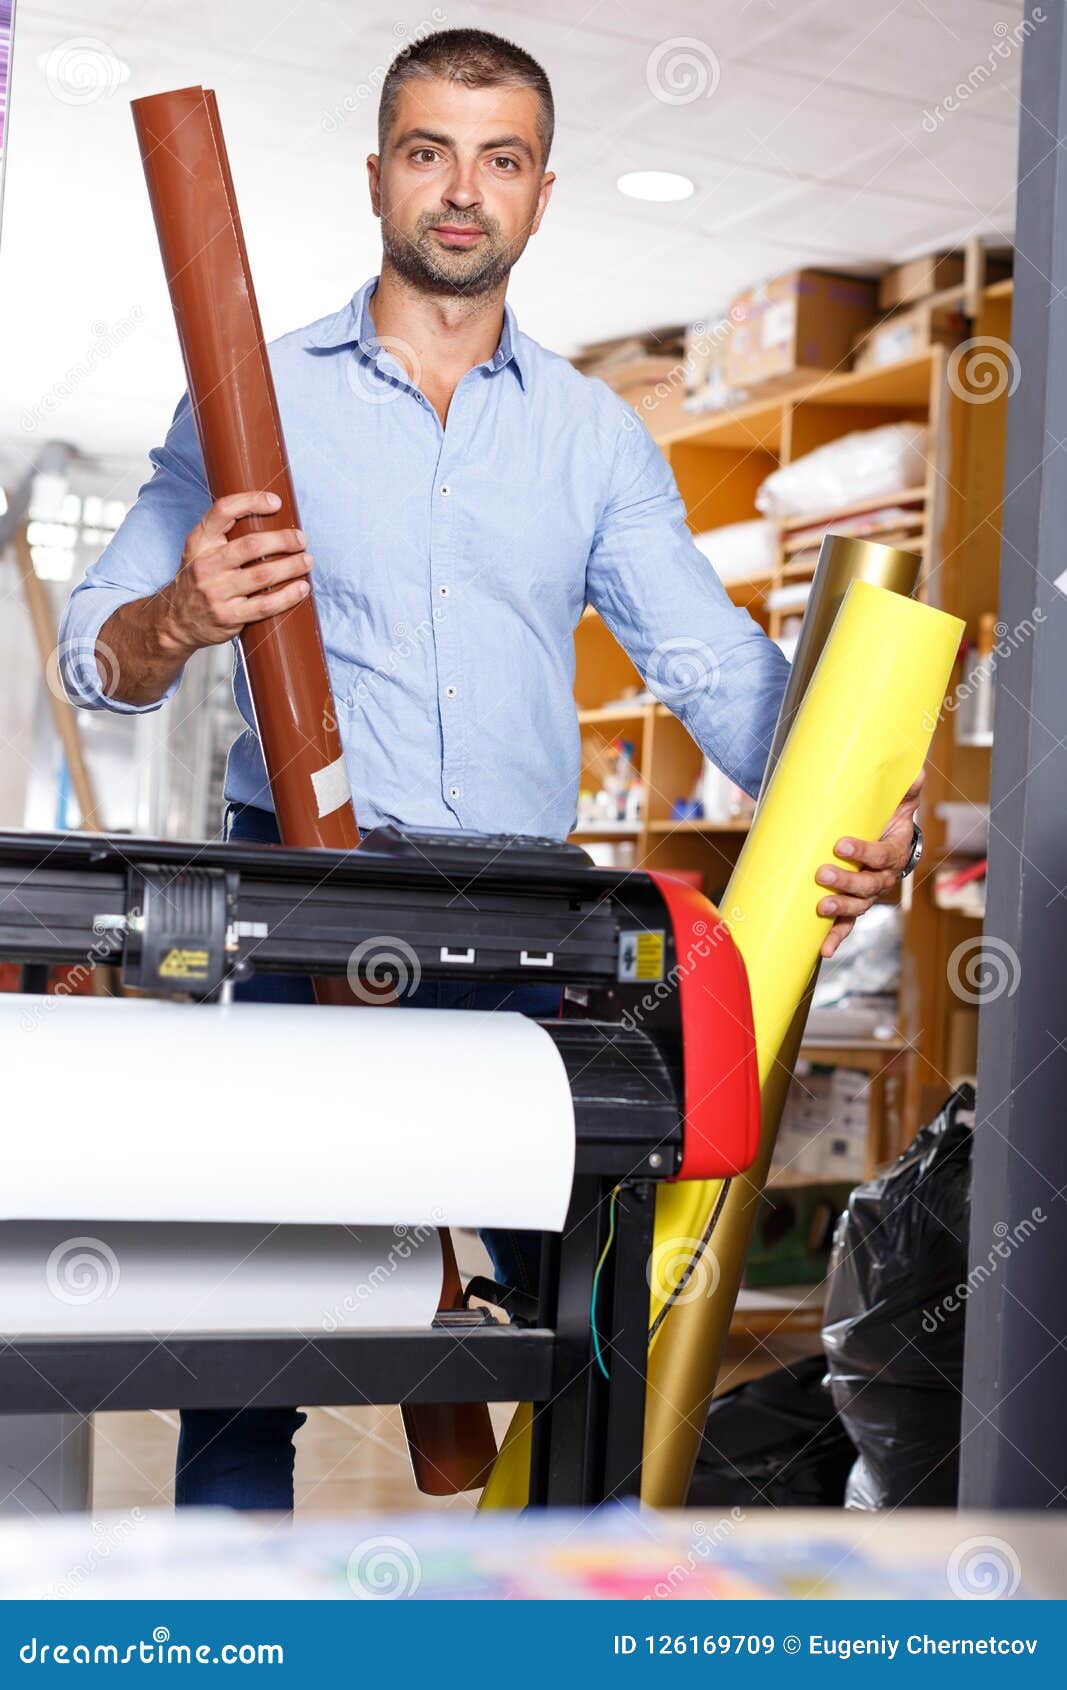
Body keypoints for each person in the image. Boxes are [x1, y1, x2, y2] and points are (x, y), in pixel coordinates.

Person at [59, 28, 922, 1510]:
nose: (464, 192)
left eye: (500, 159)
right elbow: (98, 654)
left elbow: (713, 670)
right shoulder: (252, 398)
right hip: (294, 910)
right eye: (430, 151)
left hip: (530, 932)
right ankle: (222, 1638)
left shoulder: (595, 437)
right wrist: (178, 614)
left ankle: (544, 1621)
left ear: (541, 192)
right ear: (381, 174)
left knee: (580, 1343)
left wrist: (861, 805)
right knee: (252, 1353)